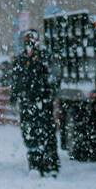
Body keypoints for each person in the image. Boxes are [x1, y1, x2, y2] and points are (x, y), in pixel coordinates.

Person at [10, 29, 60, 176]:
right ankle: (35, 165)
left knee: (46, 133)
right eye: (28, 40)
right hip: (27, 103)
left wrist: (48, 93)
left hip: (43, 103)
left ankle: (50, 165)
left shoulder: (45, 58)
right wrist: (15, 95)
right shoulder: (20, 60)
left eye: (32, 39)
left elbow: (53, 77)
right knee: (30, 134)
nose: (30, 43)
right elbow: (16, 80)